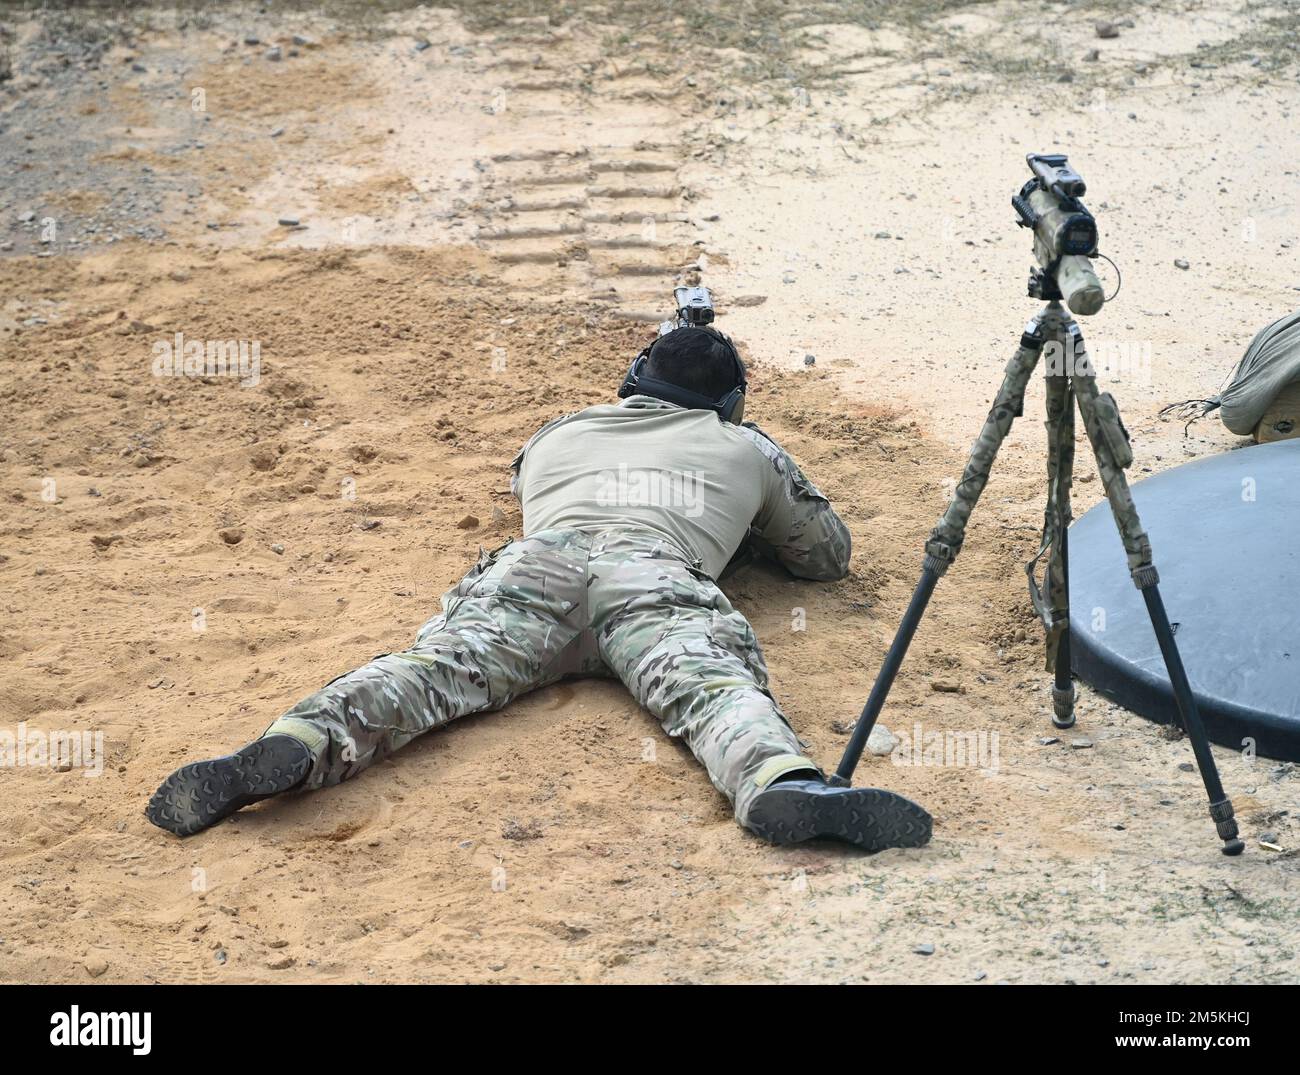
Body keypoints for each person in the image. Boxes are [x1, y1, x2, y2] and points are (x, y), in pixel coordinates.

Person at [146, 325, 931, 851]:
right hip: (650, 573)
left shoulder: (558, 432)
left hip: (539, 566)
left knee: (433, 673)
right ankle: (776, 782)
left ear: (633, 381)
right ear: (730, 404)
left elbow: (529, 484)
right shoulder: (744, 446)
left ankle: (298, 742)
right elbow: (825, 556)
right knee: (713, 690)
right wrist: (748, 499)